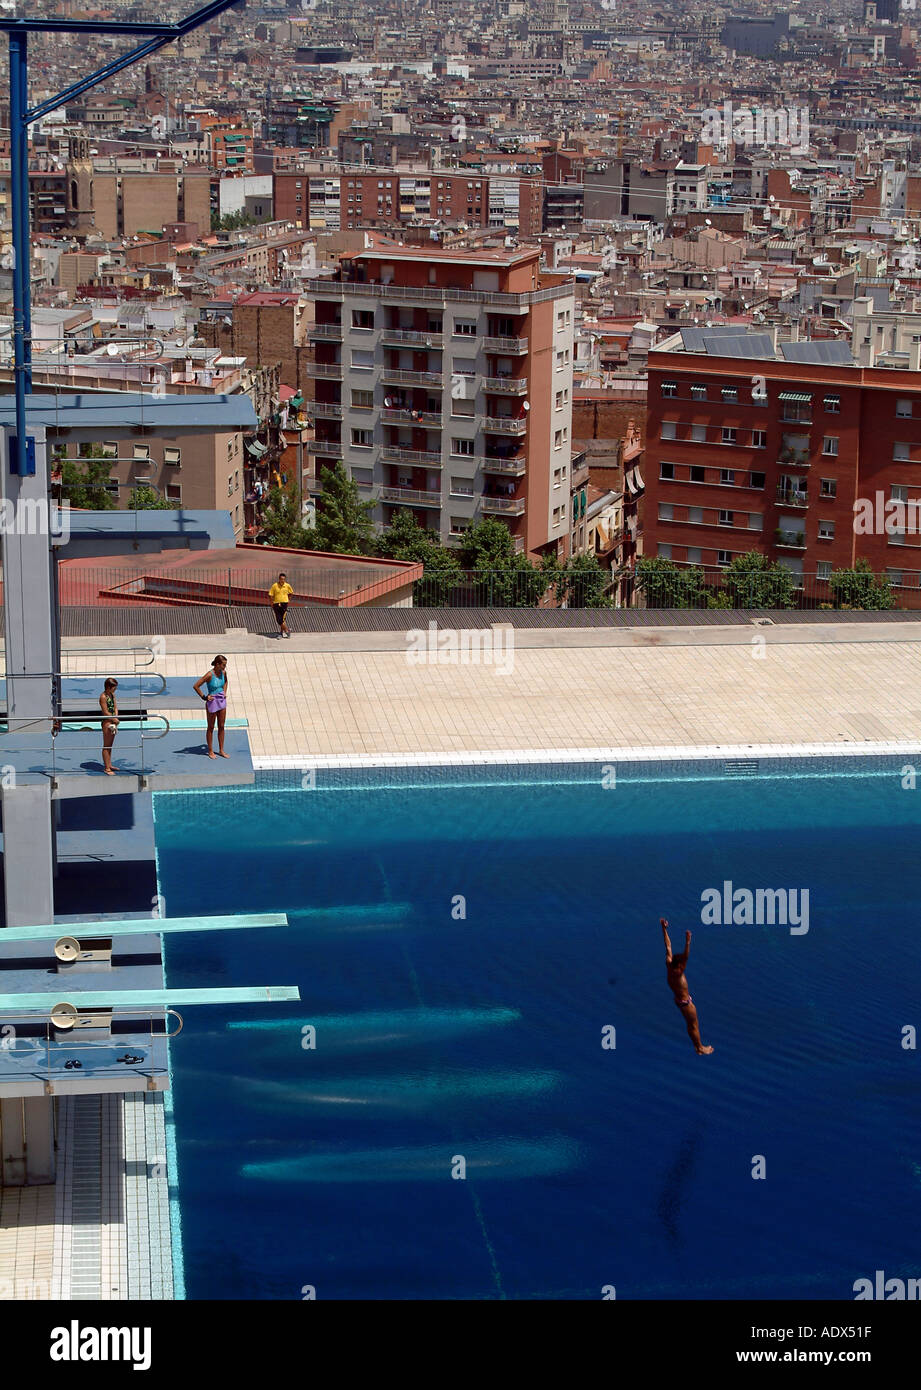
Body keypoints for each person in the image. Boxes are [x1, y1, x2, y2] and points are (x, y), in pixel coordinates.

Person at [661, 918, 713, 1055]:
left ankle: (698, 1046)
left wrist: (664, 929)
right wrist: (688, 942)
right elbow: (686, 957)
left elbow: (668, 946)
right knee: (693, 1025)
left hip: (679, 1000)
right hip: (685, 1003)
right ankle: (700, 1048)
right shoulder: (678, 972)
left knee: (690, 1024)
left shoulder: (668, 963)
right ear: (679, 966)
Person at [193, 656, 230, 759]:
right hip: (212, 701)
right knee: (211, 727)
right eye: (223, 665)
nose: (225, 667)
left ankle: (221, 750)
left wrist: (224, 692)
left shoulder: (224, 673)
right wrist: (204, 697)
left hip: (221, 700)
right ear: (217, 664)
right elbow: (196, 686)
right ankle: (210, 751)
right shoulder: (209, 675)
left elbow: (226, 681)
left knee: (222, 726)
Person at [99, 678, 119, 775]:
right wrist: (113, 719)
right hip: (107, 722)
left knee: (110, 745)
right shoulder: (103, 697)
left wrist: (116, 717)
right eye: (114, 688)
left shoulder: (112, 695)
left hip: (113, 721)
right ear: (108, 687)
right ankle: (107, 768)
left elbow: (115, 707)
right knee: (106, 745)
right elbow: (105, 712)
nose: (115, 690)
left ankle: (109, 764)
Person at [268, 572, 294, 638]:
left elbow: (291, 593)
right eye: (281, 579)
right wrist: (272, 603)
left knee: (282, 619)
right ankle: (287, 631)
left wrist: (288, 600)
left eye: (283, 579)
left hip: (284, 604)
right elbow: (270, 595)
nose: (282, 580)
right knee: (278, 619)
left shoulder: (287, 586)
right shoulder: (274, 585)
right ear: (279, 579)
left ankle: (281, 633)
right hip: (276, 604)